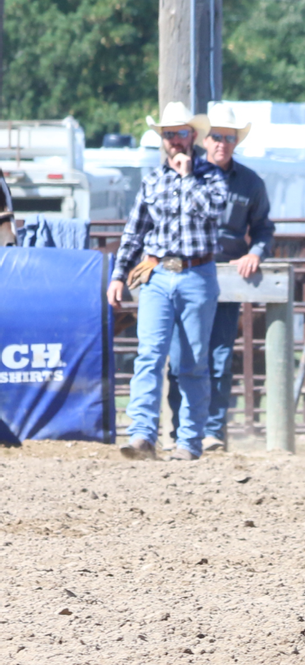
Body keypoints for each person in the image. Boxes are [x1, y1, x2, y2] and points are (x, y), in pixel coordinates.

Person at [106, 101, 229, 462]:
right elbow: (134, 232)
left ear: (192, 136)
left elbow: (212, 212)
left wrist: (188, 177)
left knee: (190, 362)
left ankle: (189, 440)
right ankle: (142, 433)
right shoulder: (153, 181)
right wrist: (118, 275)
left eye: (179, 133)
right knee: (149, 354)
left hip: (196, 273)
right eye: (167, 134)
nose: (173, 140)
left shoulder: (211, 177)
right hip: (159, 275)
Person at [161, 102, 274, 451]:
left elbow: (264, 228)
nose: (221, 143)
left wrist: (255, 252)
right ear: (204, 140)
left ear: (235, 143)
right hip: (188, 271)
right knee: (182, 356)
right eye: (216, 137)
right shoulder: (182, 172)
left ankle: (212, 430)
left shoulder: (251, 183)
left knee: (220, 355)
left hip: (225, 276)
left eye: (228, 138)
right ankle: (182, 429)